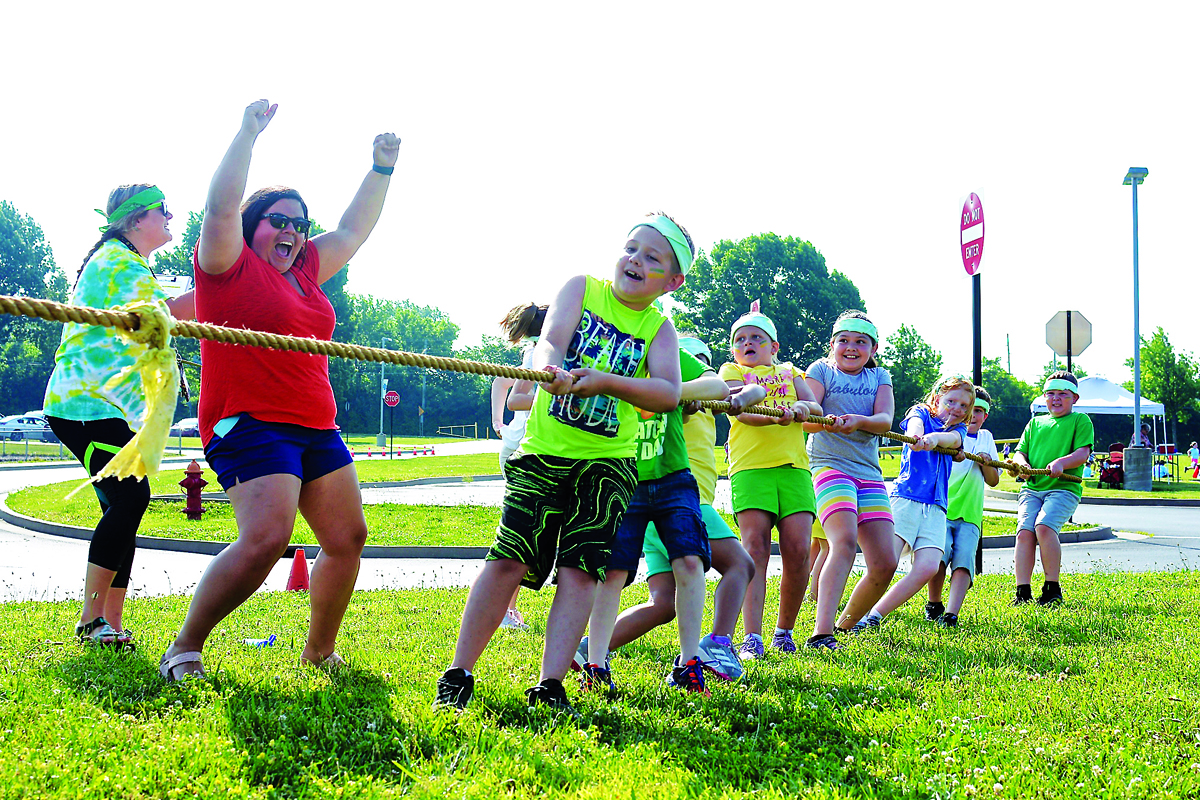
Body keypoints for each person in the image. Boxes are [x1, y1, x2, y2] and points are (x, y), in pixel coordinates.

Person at [159, 100, 400, 680]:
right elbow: (220, 207)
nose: (292, 230)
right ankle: (184, 648)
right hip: (248, 421)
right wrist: (246, 135)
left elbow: (352, 230)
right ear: (252, 226)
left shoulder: (305, 270)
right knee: (268, 537)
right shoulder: (226, 265)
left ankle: (320, 653)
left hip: (316, 425)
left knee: (348, 538)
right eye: (278, 220)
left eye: (298, 222)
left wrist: (381, 169)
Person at [434, 213, 688, 715]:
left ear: (672, 281)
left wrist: (606, 382)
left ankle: (550, 685)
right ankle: (459, 673)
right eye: (631, 248)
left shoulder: (659, 330)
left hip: (609, 466)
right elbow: (551, 338)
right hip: (544, 455)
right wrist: (548, 365)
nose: (635, 260)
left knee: (582, 572)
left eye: (652, 257)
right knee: (508, 558)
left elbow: (668, 393)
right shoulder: (580, 287)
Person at [45, 184, 195, 648]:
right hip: (86, 407)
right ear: (135, 220)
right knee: (130, 501)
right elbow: (166, 315)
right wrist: (218, 283)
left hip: (99, 407)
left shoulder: (127, 263)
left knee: (124, 508)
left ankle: (109, 622)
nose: (171, 216)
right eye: (161, 210)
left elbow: (157, 320)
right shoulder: (118, 261)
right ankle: (92, 622)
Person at [578, 336, 761, 683]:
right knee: (615, 573)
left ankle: (688, 663)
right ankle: (594, 660)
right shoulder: (611, 362)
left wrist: (676, 390)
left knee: (671, 590)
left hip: (674, 484)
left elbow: (724, 387)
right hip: (626, 478)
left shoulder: (679, 373)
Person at [718, 310, 822, 659]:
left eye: (756, 338)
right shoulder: (731, 372)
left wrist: (803, 409)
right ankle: (752, 637)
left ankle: (784, 632)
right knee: (755, 549)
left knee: (797, 551)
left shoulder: (791, 372)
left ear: (773, 345)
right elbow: (739, 410)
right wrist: (781, 415)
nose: (747, 344)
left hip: (794, 470)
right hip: (751, 469)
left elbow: (815, 407)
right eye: (740, 340)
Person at [801, 311, 895, 650]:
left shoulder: (880, 376)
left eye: (860, 342)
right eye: (844, 340)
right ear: (832, 344)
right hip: (828, 466)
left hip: (869, 473)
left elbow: (884, 420)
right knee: (842, 542)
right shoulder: (820, 370)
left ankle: (843, 626)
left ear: (873, 347)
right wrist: (822, 419)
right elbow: (806, 419)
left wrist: (858, 420)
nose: (851, 347)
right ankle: (821, 632)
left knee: (885, 562)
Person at [847, 376, 971, 631]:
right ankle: (852, 617)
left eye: (963, 405)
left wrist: (935, 440)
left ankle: (875, 616)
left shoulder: (958, 429)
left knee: (927, 567)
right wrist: (916, 437)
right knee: (885, 563)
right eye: (951, 401)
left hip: (937, 507)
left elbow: (954, 442)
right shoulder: (922, 413)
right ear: (937, 398)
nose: (956, 408)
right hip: (907, 499)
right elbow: (913, 426)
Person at [1008, 371, 1093, 606]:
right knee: (1025, 532)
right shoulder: (1035, 422)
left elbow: (1083, 453)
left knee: (1043, 527)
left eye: (1062, 394)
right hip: (1032, 488)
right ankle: (1022, 591)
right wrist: (1022, 464)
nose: (1056, 399)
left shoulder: (1080, 420)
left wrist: (1061, 463)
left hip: (1063, 488)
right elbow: (1020, 451)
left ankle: (1052, 588)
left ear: (1074, 398)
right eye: (1051, 394)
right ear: (1044, 397)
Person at [489, 302, 549, 630]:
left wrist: (499, 422)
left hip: (521, 442)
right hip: (527, 447)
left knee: (527, 532)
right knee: (525, 533)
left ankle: (506, 609)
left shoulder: (538, 349)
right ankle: (504, 611)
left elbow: (502, 382)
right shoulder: (544, 351)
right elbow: (516, 396)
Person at [924, 386, 999, 628]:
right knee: (938, 559)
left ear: (985, 415)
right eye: (969, 409)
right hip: (942, 510)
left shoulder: (986, 438)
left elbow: (994, 480)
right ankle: (934, 604)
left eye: (979, 411)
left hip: (970, 515)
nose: (973, 415)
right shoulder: (949, 433)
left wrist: (987, 463)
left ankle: (951, 614)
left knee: (964, 563)